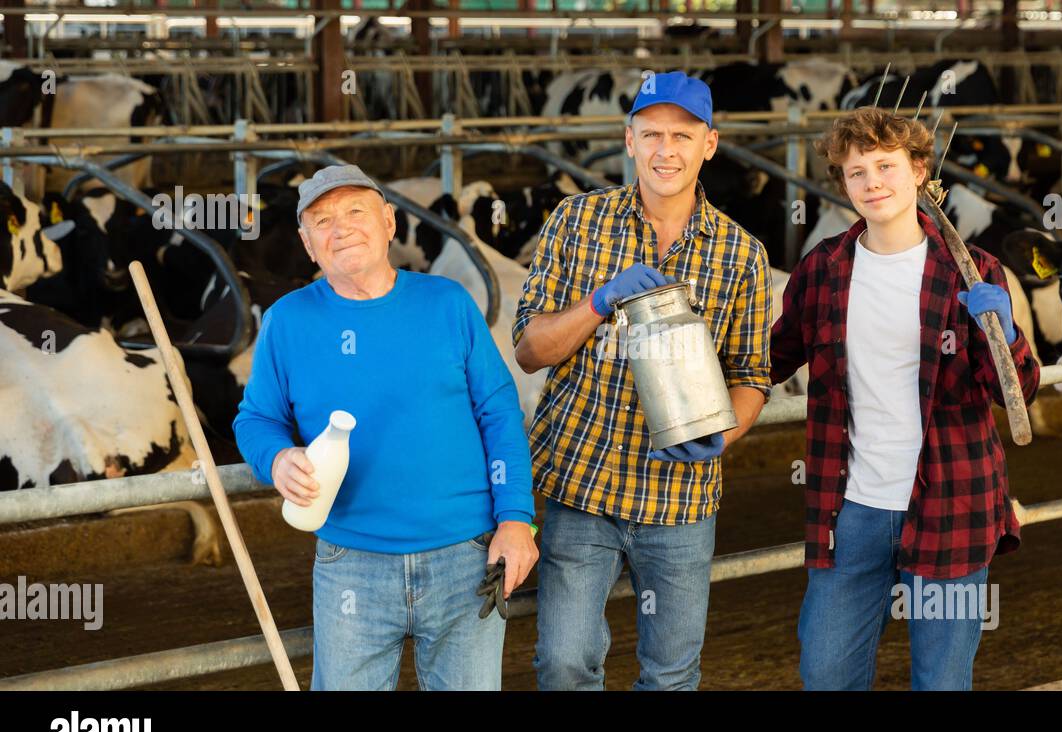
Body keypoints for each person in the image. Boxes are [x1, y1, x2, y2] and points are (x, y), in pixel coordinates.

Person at [233, 164, 538, 691]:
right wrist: (277, 458)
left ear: (390, 222)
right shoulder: (288, 321)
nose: (341, 228)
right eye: (322, 220)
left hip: (465, 555)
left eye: (356, 211)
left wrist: (516, 519)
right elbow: (257, 419)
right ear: (308, 245)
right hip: (350, 561)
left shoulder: (447, 303)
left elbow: (499, 412)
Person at [513, 71, 772, 690]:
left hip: (679, 495)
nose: (665, 150)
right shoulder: (576, 222)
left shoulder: (742, 254)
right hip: (580, 484)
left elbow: (752, 375)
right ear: (628, 141)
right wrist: (598, 302)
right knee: (564, 662)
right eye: (651, 133)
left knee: (671, 672)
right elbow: (528, 351)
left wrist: (724, 435)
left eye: (682, 135)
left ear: (709, 144)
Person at [769, 107, 1040, 691]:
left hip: (952, 504)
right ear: (841, 181)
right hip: (852, 510)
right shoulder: (822, 270)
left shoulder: (973, 272)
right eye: (856, 171)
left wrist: (1008, 335)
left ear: (920, 170)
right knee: (825, 673)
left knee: (941, 682)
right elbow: (769, 359)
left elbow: (1017, 391)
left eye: (886, 166)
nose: (872, 183)